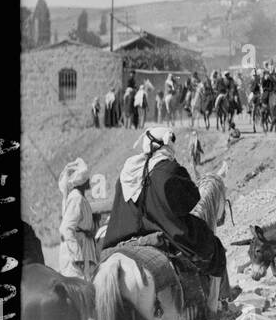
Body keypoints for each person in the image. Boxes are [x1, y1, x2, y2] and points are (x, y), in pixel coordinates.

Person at [101, 127, 228, 296]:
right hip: (164, 231)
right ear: (167, 143)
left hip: (123, 235)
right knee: (213, 247)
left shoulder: (128, 171)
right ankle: (217, 303)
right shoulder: (169, 169)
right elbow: (190, 201)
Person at [57, 158, 98, 280]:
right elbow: (66, 228)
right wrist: (77, 257)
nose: (89, 180)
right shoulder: (76, 199)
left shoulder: (80, 198)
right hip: (76, 256)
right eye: (87, 178)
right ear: (82, 181)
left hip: (84, 249)